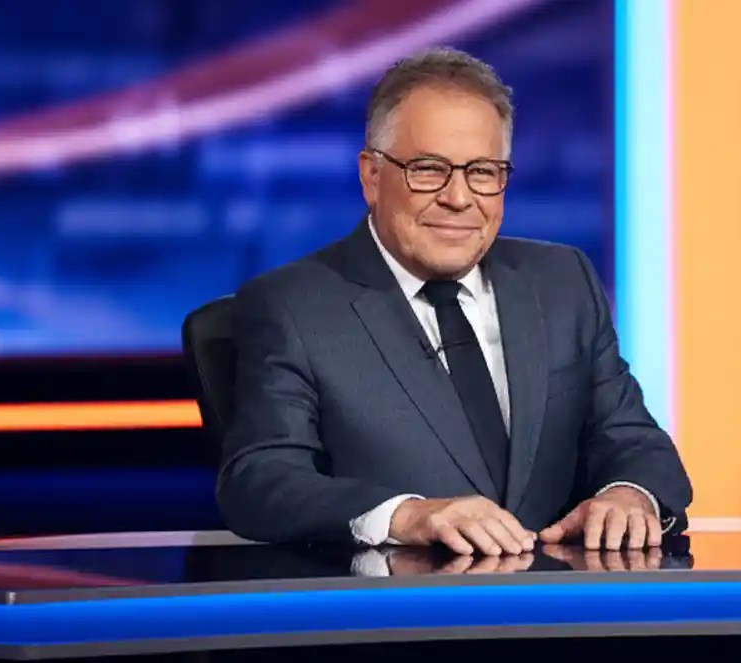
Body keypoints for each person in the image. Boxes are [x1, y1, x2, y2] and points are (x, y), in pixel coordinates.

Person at [216, 47, 691, 555]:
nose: (459, 198)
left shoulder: (562, 283)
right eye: (428, 169)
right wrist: (405, 515)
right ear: (372, 177)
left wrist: (629, 494)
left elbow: (634, 441)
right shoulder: (293, 306)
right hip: (397, 620)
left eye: (483, 172)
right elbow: (260, 480)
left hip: (559, 616)